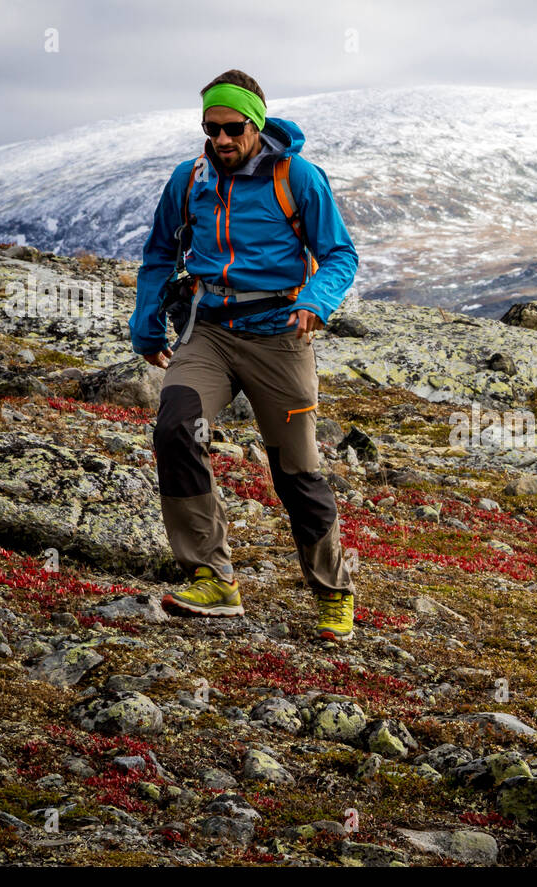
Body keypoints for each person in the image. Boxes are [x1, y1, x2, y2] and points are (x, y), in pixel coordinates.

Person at [127, 69, 357, 639]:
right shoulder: (189, 179)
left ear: (256, 124)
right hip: (208, 331)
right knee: (176, 427)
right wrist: (146, 323)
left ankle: (332, 590)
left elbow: (339, 255)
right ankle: (212, 576)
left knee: (296, 471)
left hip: (280, 334)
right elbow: (160, 253)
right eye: (211, 130)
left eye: (233, 129)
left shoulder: (296, 177)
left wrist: (315, 302)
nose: (222, 141)